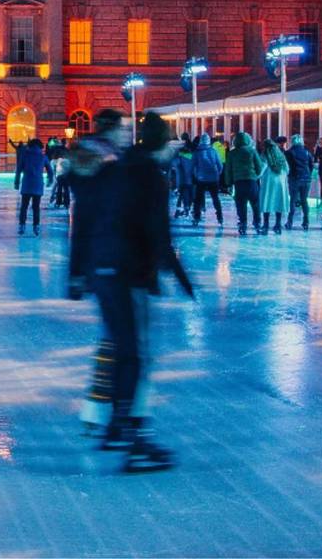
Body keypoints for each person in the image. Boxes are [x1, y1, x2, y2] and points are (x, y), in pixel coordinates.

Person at [94, 112, 194, 470]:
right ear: (162, 143)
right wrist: (181, 277)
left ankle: (116, 427)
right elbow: (158, 232)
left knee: (123, 351)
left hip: (105, 269)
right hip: (128, 273)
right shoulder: (150, 174)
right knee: (135, 355)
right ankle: (135, 440)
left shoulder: (120, 166)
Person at [67, 109, 130, 432]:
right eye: (122, 128)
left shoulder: (86, 165)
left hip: (97, 259)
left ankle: (100, 406)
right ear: (112, 129)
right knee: (121, 339)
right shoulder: (112, 166)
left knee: (113, 335)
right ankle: (111, 409)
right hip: (116, 259)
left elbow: (81, 225)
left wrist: (76, 272)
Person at [225, 132, 264, 236]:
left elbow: (228, 170)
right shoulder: (252, 151)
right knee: (255, 203)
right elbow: (259, 167)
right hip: (252, 181)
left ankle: (243, 224)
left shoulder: (232, 153)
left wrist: (229, 183)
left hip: (239, 182)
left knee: (241, 204)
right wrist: (255, 175)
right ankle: (257, 223)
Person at [16, 138, 53, 236]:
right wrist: (50, 180)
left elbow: (18, 170)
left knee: (24, 206)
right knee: (36, 207)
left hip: (27, 184)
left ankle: (22, 225)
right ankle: (36, 226)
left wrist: (16, 182)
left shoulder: (25, 156)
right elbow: (50, 170)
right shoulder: (43, 157)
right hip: (38, 184)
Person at [258, 138, 290, 234]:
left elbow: (262, 168)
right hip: (280, 182)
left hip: (269, 181)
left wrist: (256, 176)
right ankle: (278, 225)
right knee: (279, 202)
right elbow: (287, 169)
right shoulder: (281, 155)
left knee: (267, 201)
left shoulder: (265, 155)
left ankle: (266, 225)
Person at [190, 133, 223, 226]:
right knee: (215, 198)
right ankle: (220, 217)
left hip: (201, 178)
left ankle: (197, 217)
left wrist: (195, 175)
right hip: (213, 178)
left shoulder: (197, 152)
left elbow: (192, 166)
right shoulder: (214, 151)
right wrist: (217, 174)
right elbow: (220, 165)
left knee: (198, 199)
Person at [284, 134, 314, 231]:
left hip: (294, 178)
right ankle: (306, 221)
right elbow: (311, 165)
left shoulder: (289, 152)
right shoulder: (307, 152)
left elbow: (286, 166)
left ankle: (290, 221)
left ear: (292, 142)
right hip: (306, 179)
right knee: (304, 200)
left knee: (293, 200)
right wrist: (308, 174)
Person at [171, 137, 195, 218]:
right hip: (191, 180)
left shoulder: (179, 158)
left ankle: (181, 210)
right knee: (189, 195)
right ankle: (187, 209)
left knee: (182, 195)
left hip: (182, 180)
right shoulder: (193, 157)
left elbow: (173, 164)